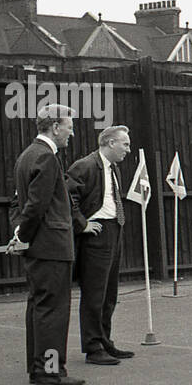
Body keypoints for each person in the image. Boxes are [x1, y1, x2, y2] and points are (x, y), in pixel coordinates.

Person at [8, 104, 85, 385]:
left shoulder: (26, 157)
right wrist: (24, 235)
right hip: (51, 247)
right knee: (54, 310)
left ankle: (38, 368)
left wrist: (19, 233)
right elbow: (37, 206)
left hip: (37, 248)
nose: (72, 133)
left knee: (39, 308)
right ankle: (50, 371)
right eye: (69, 127)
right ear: (55, 127)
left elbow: (19, 203)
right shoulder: (47, 158)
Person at [67, 125, 135, 365]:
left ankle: (105, 340)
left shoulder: (113, 168)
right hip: (96, 234)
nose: (128, 149)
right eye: (125, 144)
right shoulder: (84, 166)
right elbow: (67, 196)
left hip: (113, 230)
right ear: (110, 143)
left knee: (109, 293)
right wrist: (81, 224)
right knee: (95, 293)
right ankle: (93, 347)